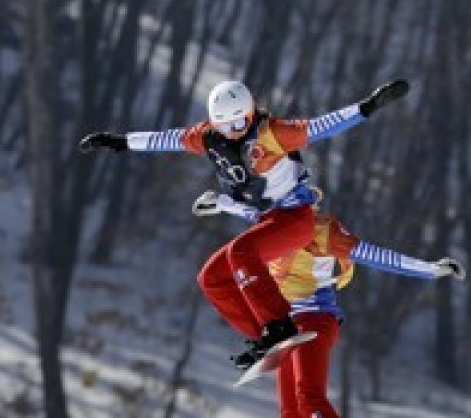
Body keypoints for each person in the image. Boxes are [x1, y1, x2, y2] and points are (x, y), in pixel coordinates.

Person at [79, 79, 409, 359]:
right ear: (214, 122)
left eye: (240, 123)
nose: (234, 132)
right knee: (212, 277)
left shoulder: (272, 133)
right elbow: (167, 138)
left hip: (295, 219)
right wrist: (120, 142)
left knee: (241, 255)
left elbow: (321, 126)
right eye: (226, 125)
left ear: (251, 115)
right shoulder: (208, 138)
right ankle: (266, 336)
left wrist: (366, 108)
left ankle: (280, 324)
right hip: (266, 221)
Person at [192, 189, 465, 418]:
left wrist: (428, 270)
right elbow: (245, 208)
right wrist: (219, 201)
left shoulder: (322, 231)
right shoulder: (270, 220)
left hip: (315, 320)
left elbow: (375, 255)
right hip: (285, 326)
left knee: (308, 398)